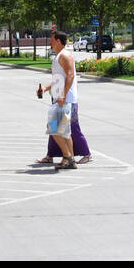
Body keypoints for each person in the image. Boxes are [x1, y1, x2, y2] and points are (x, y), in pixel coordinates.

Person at [38, 32, 79, 171]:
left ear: (58, 41)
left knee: (53, 128)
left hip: (65, 99)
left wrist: (62, 95)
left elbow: (70, 75)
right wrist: (45, 88)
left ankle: (67, 157)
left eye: (52, 39)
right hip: (60, 98)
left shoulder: (65, 55)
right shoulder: (58, 56)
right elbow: (58, 79)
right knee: (63, 131)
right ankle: (70, 160)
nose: (50, 41)